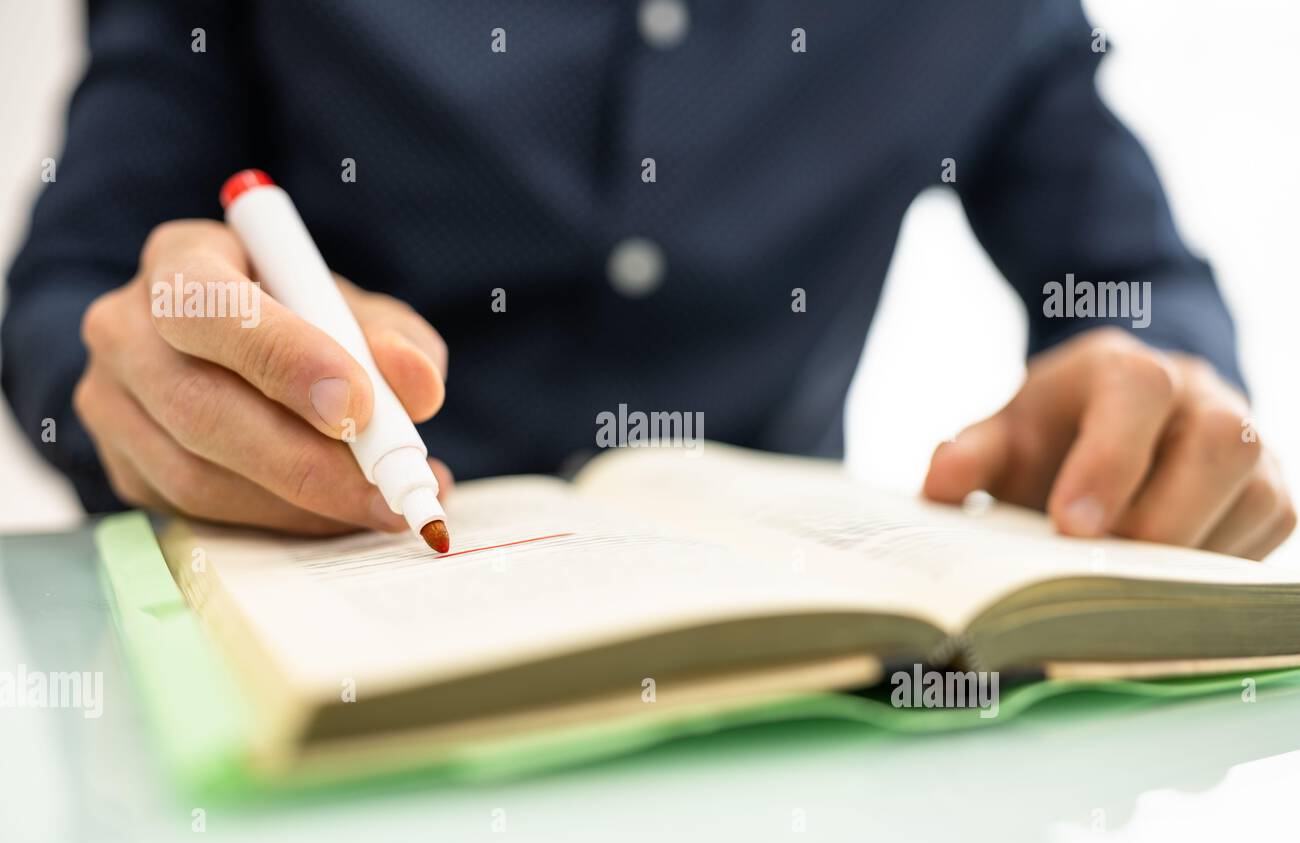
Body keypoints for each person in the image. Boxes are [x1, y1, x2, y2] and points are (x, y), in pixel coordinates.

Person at [2, 0, 1293, 558]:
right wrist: (133, 370)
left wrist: (1160, 390)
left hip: (792, 710)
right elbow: (66, 296)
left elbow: (1129, 274)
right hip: (319, 660)